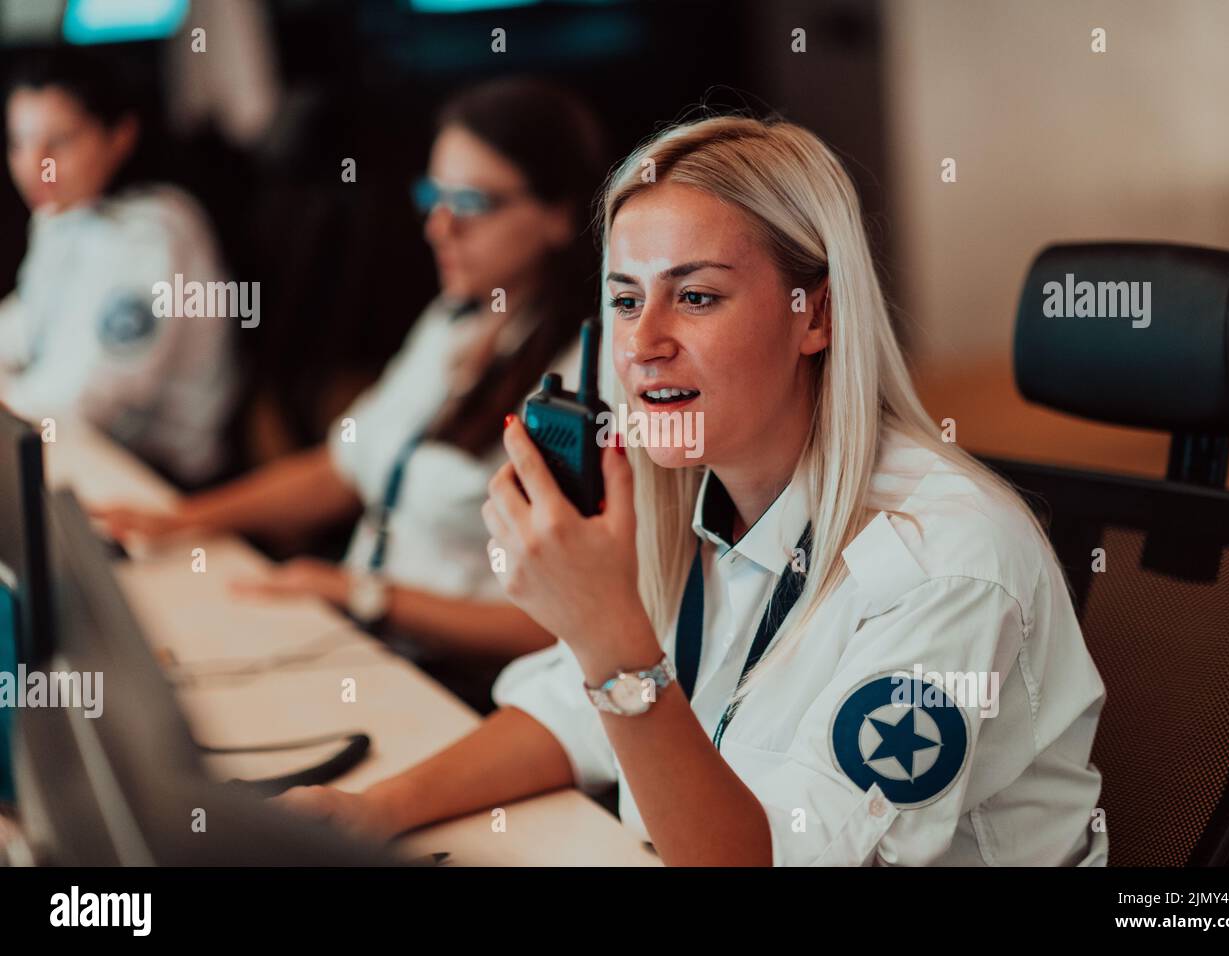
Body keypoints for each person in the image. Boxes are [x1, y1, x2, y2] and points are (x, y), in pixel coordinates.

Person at [278, 113, 1109, 867]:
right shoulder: (686, 502)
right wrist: (370, 813)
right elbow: (571, 715)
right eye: (627, 299)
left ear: (814, 316)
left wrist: (612, 638)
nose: (643, 344)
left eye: (697, 296)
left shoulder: (949, 565)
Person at [97, 78, 609, 697]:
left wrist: (365, 595)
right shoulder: (455, 320)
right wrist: (179, 519)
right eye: (432, 196)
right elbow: (342, 468)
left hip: (460, 685)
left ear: (557, 215)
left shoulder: (587, 384)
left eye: (471, 203)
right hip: (362, 636)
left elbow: (563, 628)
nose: (439, 227)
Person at [0, 49, 236, 487]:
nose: (36, 167)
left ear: (121, 135)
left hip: (161, 476)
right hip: (86, 446)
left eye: (60, 142)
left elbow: (79, 401)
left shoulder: (154, 238)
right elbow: (25, 324)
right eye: (19, 143)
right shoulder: (64, 213)